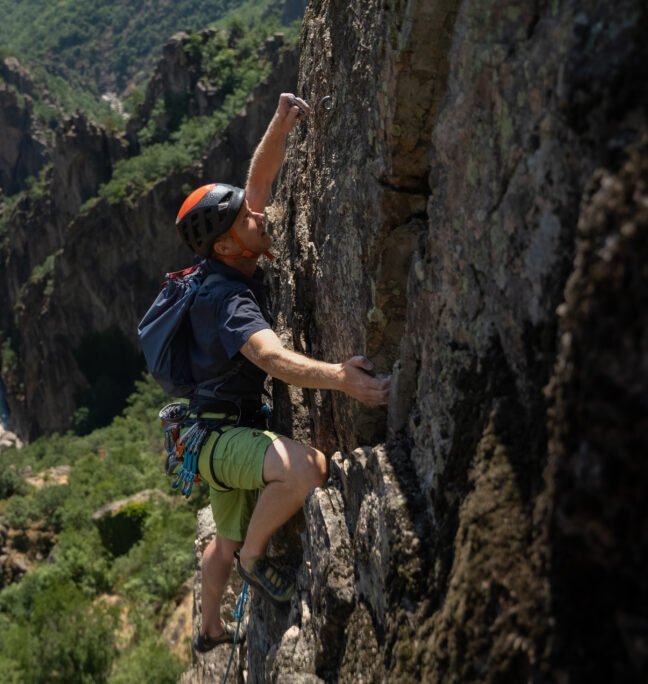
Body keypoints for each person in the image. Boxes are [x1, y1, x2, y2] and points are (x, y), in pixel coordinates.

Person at [173, 93, 391, 653]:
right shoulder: (229, 300)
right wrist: (341, 377)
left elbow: (259, 183)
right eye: (244, 219)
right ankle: (254, 559)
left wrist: (280, 123)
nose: (259, 214)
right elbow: (270, 358)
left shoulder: (224, 258)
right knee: (307, 469)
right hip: (224, 443)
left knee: (220, 541)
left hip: (208, 437)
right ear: (227, 243)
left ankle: (208, 632)